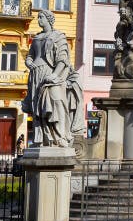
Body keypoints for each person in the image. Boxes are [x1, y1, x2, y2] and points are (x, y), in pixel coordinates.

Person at [21, 10, 85, 147]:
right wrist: (28, 62)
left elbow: (62, 59)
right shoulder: (36, 37)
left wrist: (55, 75)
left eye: (41, 17)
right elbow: (31, 55)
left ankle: (60, 136)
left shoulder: (58, 36)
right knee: (37, 109)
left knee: (57, 102)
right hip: (35, 76)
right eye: (38, 17)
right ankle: (41, 140)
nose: (38, 20)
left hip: (51, 75)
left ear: (49, 19)